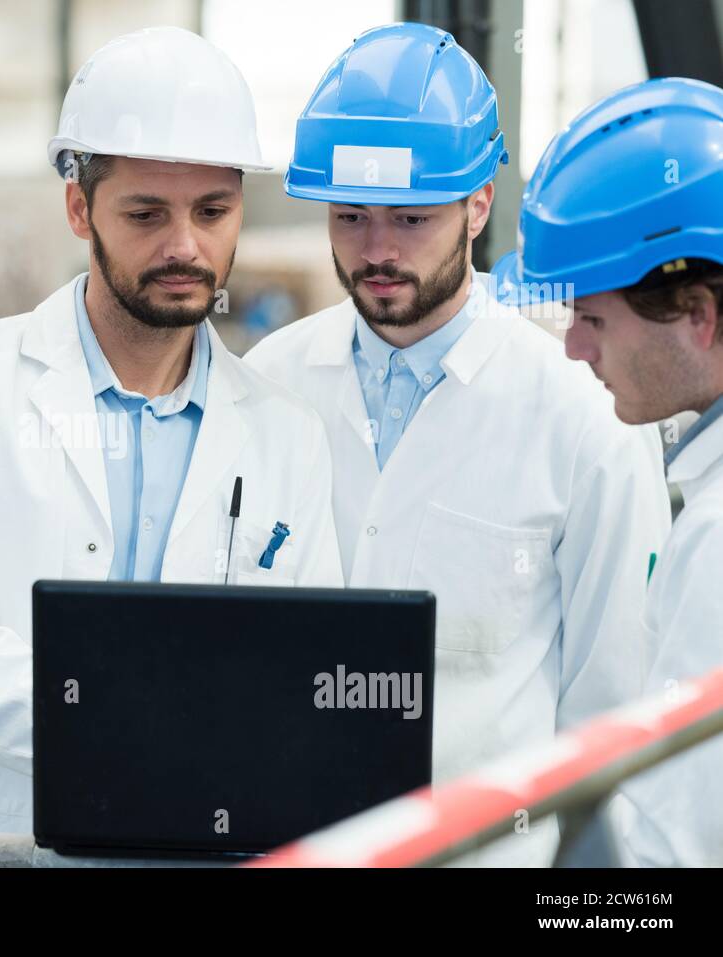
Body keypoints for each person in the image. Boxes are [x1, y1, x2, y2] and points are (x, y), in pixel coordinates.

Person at [0, 26, 344, 835]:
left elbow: (305, 669)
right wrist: (147, 727)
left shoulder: (286, 438)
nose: (185, 245)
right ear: (79, 207)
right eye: (146, 213)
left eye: (213, 211)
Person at [243, 22, 670, 866]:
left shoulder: (581, 419)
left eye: (412, 216)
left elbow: (610, 709)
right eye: (351, 216)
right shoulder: (267, 381)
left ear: (480, 204)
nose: (378, 250)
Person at [496, 77, 723, 867]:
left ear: (698, 313)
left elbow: (668, 871)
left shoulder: (715, 544)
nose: (573, 349)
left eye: (592, 319)